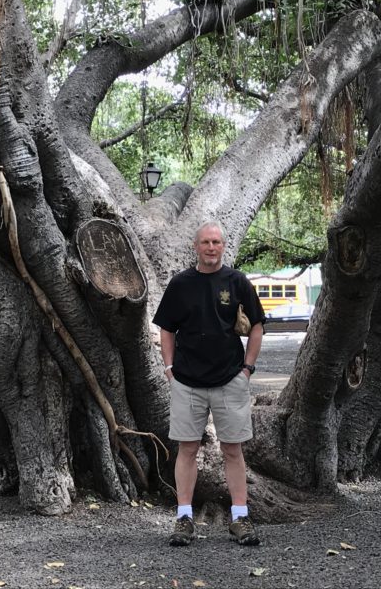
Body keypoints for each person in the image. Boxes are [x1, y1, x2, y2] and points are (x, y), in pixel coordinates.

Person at [154, 221, 265, 547]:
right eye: (206, 242)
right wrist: (170, 368)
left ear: (223, 245)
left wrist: (247, 369)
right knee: (187, 448)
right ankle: (184, 518)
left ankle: (240, 517)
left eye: (216, 241)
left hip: (230, 379)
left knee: (233, 449)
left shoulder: (237, 281)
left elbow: (257, 327)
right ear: (196, 246)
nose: (211, 247)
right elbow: (166, 329)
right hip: (187, 381)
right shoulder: (181, 284)